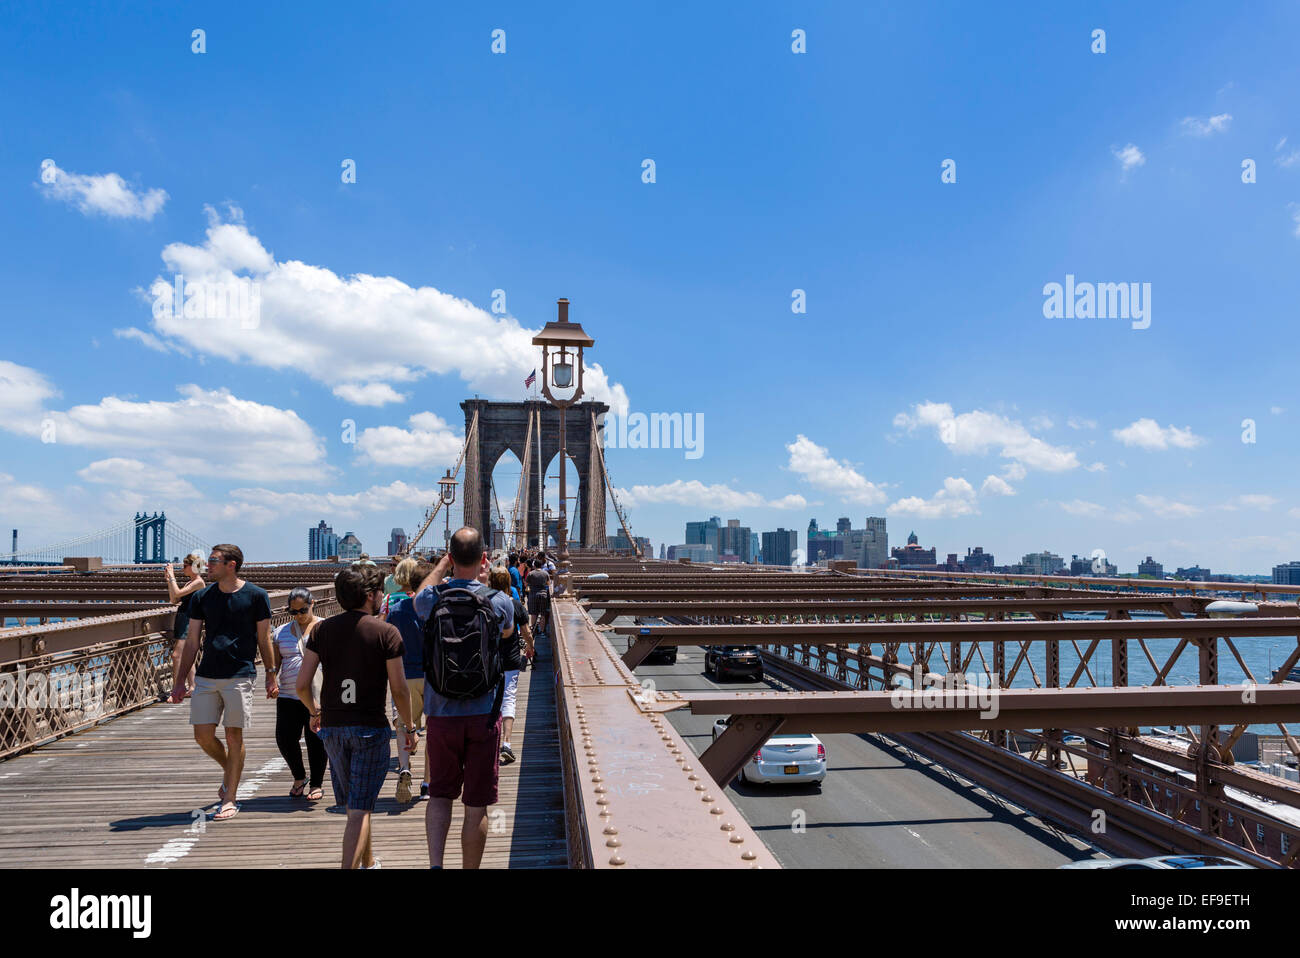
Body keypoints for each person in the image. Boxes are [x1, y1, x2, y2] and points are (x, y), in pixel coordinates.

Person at [297, 565, 417, 869]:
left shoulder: (321, 630)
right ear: (370, 595)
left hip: (333, 730)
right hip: (369, 730)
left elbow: (301, 684)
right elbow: (400, 690)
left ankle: (369, 862)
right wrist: (410, 727)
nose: (381, 597)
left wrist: (314, 712)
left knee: (356, 806)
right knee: (360, 811)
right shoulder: (386, 632)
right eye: (379, 592)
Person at [415, 528, 514, 869]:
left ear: (451, 557)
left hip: (441, 712)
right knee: (476, 806)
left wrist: (443, 566)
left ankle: (436, 866)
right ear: (484, 558)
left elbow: (419, 594)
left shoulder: (432, 600)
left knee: (440, 795)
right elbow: (506, 633)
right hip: (484, 714)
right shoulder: (499, 601)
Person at [169, 544, 275, 822]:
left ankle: (230, 798)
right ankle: (232, 769)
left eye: (214, 561)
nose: (208, 566)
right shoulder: (202, 597)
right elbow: (192, 641)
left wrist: (271, 674)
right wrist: (180, 682)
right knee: (202, 736)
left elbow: (264, 638)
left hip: (240, 673)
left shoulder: (257, 596)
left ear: (232, 564)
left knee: (233, 736)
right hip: (206, 674)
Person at [386, 558, 436, 802]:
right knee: (435, 730)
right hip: (432, 676)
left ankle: (405, 767)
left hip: (405, 675)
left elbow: (388, 644)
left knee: (404, 725)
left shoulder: (396, 610)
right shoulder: (437, 609)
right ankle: (427, 784)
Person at [270, 587, 326, 801]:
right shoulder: (281, 631)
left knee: (316, 740)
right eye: (293, 612)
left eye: (302, 610)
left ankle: (317, 784)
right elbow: (276, 663)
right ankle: (299, 776)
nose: (298, 616)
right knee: (284, 739)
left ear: (312, 604)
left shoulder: (324, 628)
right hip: (288, 695)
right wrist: (271, 680)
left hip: (317, 696)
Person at [488, 566, 529, 763]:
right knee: (509, 698)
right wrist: (531, 648)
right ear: (509, 583)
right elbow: (527, 633)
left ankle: (489, 742)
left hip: (489, 660)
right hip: (511, 659)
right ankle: (506, 742)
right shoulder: (515, 605)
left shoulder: (484, 603)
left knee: (490, 698)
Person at [163, 551, 206, 699]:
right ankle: (192, 686)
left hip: (190, 620)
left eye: (185, 565)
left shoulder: (199, 582)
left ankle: (176, 691)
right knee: (186, 655)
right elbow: (174, 599)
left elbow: (178, 592)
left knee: (176, 656)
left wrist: (173, 577)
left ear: (193, 567)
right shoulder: (190, 582)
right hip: (182, 619)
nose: (183, 568)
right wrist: (169, 580)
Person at [525, 557, 551, 638]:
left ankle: (533, 630)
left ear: (534, 565)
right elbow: (548, 584)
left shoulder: (531, 573)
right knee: (542, 614)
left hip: (533, 594)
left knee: (533, 614)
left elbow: (526, 584)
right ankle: (542, 632)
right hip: (543, 594)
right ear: (541, 565)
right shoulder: (545, 573)